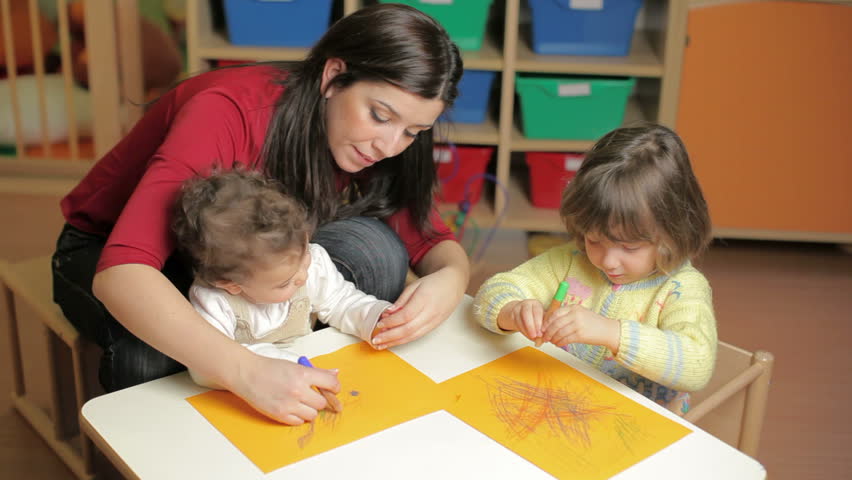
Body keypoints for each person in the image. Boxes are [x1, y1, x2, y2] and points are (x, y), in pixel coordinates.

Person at [51, 3, 468, 425]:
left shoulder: (379, 138)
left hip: (253, 257)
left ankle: (283, 371)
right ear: (332, 76)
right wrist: (244, 371)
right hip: (117, 252)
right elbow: (123, 273)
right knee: (153, 359)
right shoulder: (224, 110)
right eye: (379, 116)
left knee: (376, 253)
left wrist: (450, 280)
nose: (390, 146)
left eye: (413, 132)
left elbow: (430, 239)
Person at [473, 124, 717, 415]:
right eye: (594, 239)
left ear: (672, 234)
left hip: (637, 422)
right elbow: (491, 293)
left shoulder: (682, 287)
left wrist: (611, 332)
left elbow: (697, 364)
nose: (608, 260)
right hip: (564, 405)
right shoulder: (570, 260)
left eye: (629, 247)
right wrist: (512, 311)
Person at [172, 170, 390, 389]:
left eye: (305, 257)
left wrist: (376, 318)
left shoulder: (308, 263)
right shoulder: (214, 300)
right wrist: (283, 364)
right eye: (284, 283)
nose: (303, 277)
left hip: (310, 369)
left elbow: (340, 302)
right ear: (232, 285)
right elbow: (205, 368)